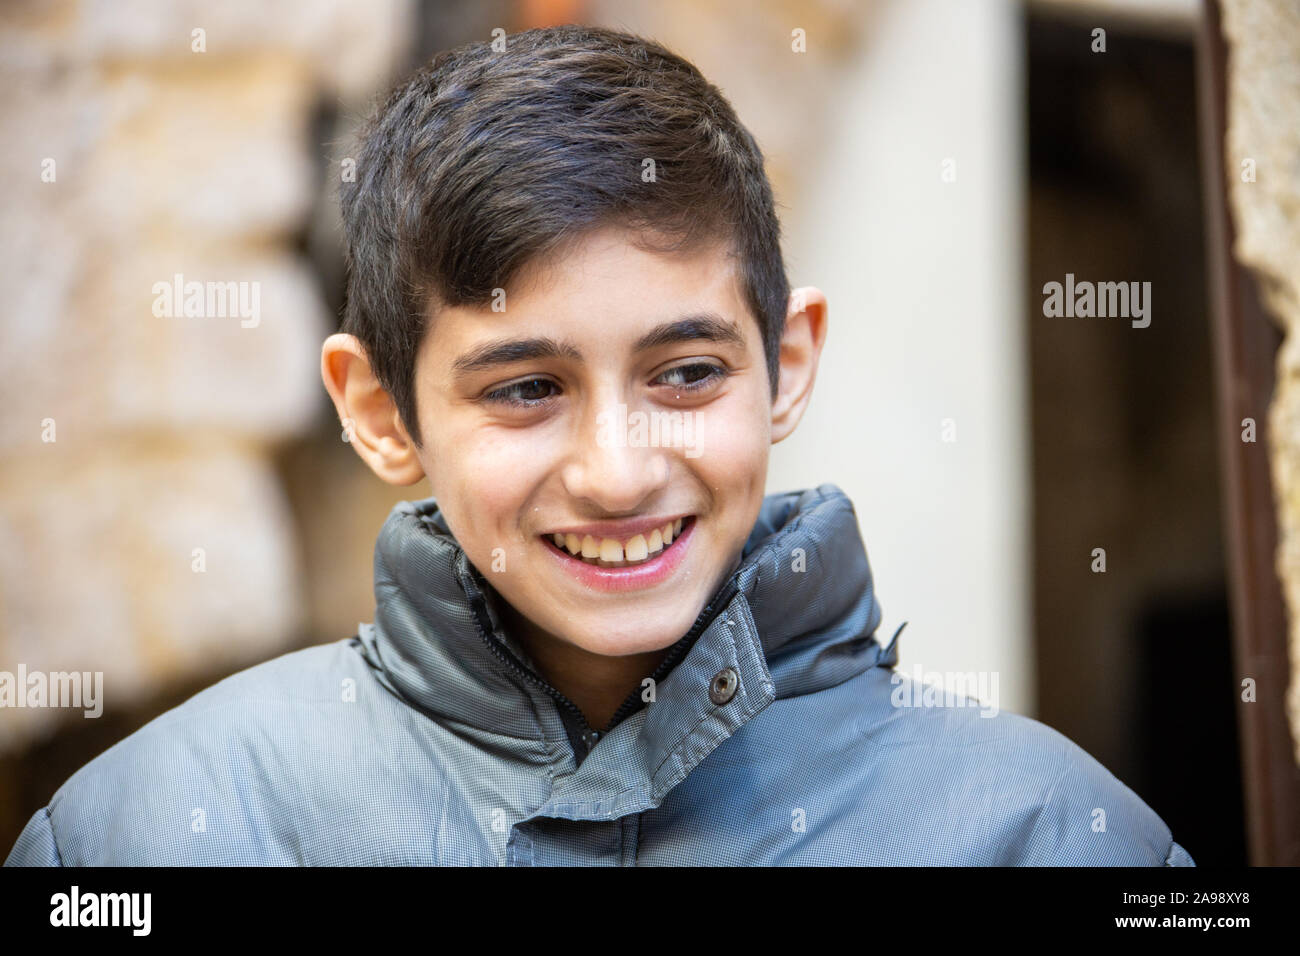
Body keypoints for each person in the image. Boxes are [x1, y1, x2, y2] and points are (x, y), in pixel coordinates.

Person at [6, 25, 1192, 866]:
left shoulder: (1042, 831)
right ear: (378, 411)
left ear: (785, 362)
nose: (618, 472)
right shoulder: (151, 832)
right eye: (526, 388)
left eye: (685, 372)